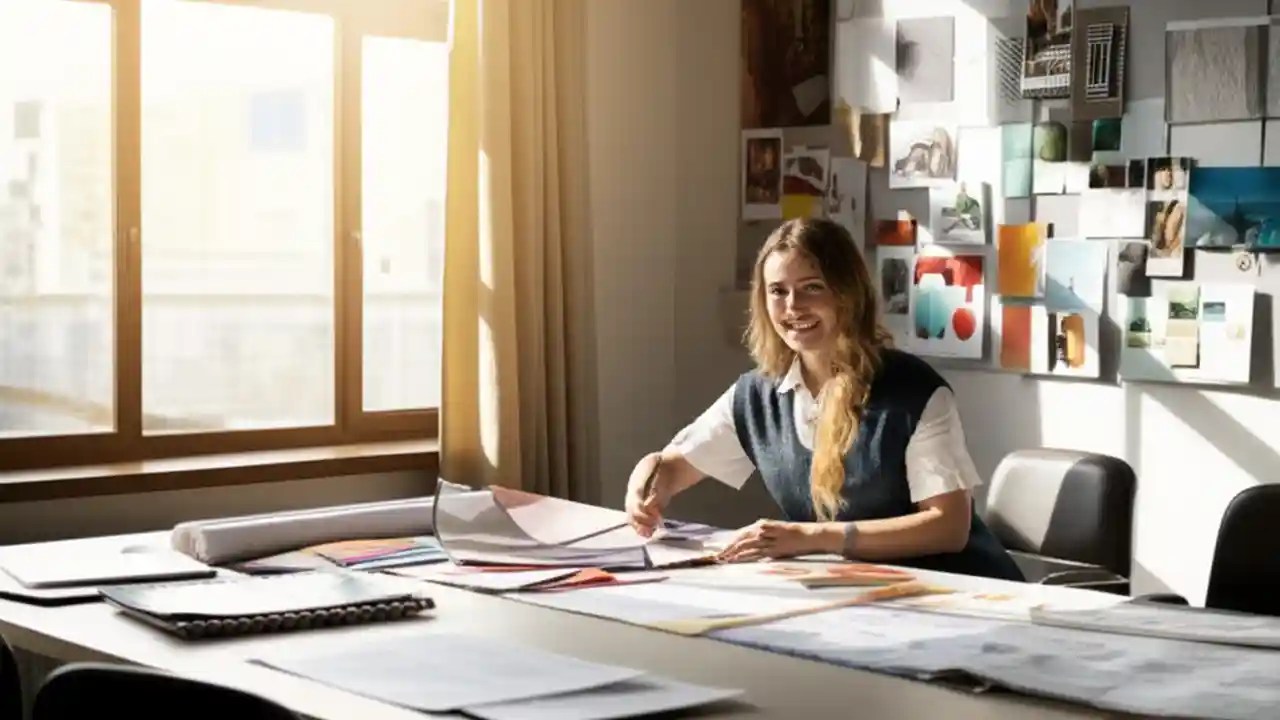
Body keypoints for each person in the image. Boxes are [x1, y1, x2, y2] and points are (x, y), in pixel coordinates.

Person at [624, 217, 1025, 581]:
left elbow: (948, 527)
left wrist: (812, 537)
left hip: (963, 592)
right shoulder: (758, 395)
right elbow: (673, 465)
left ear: (848, 294)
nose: (793, 307)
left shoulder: (914, 391)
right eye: (778, 291)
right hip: (859, 594)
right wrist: (647, 484)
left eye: (812, 288)